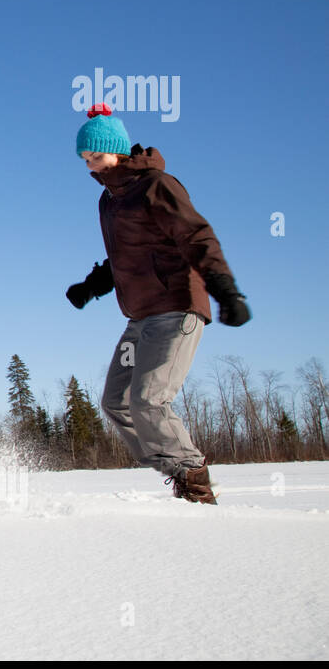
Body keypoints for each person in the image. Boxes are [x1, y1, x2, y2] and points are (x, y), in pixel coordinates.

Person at [66, 104, 250, 504]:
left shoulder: (157, 186)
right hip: (139, 318)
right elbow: (123, 256)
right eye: (84, 159)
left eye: (95, 156)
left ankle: (195, 485)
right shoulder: (109, 201)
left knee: (148, 400)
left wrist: (226, 291)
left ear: (117, 150)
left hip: (177, 309)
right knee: (116, 402)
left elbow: (197, 237)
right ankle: (177, 471)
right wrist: (91, 286)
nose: (90, 166)